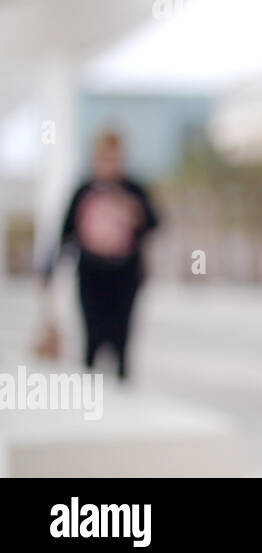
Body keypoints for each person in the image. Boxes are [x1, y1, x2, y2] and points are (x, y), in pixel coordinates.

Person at [41, 130, 160, 382]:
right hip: (91, 274)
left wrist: (136, 212)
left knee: (121, 338)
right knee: (92, 336)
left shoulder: (133, 189)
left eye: (114, 157)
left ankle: (121, 388)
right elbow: (66, 233)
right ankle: (89, 394)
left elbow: (155, 223)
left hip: (124, 274)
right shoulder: (84, 190)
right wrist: (49, 267)